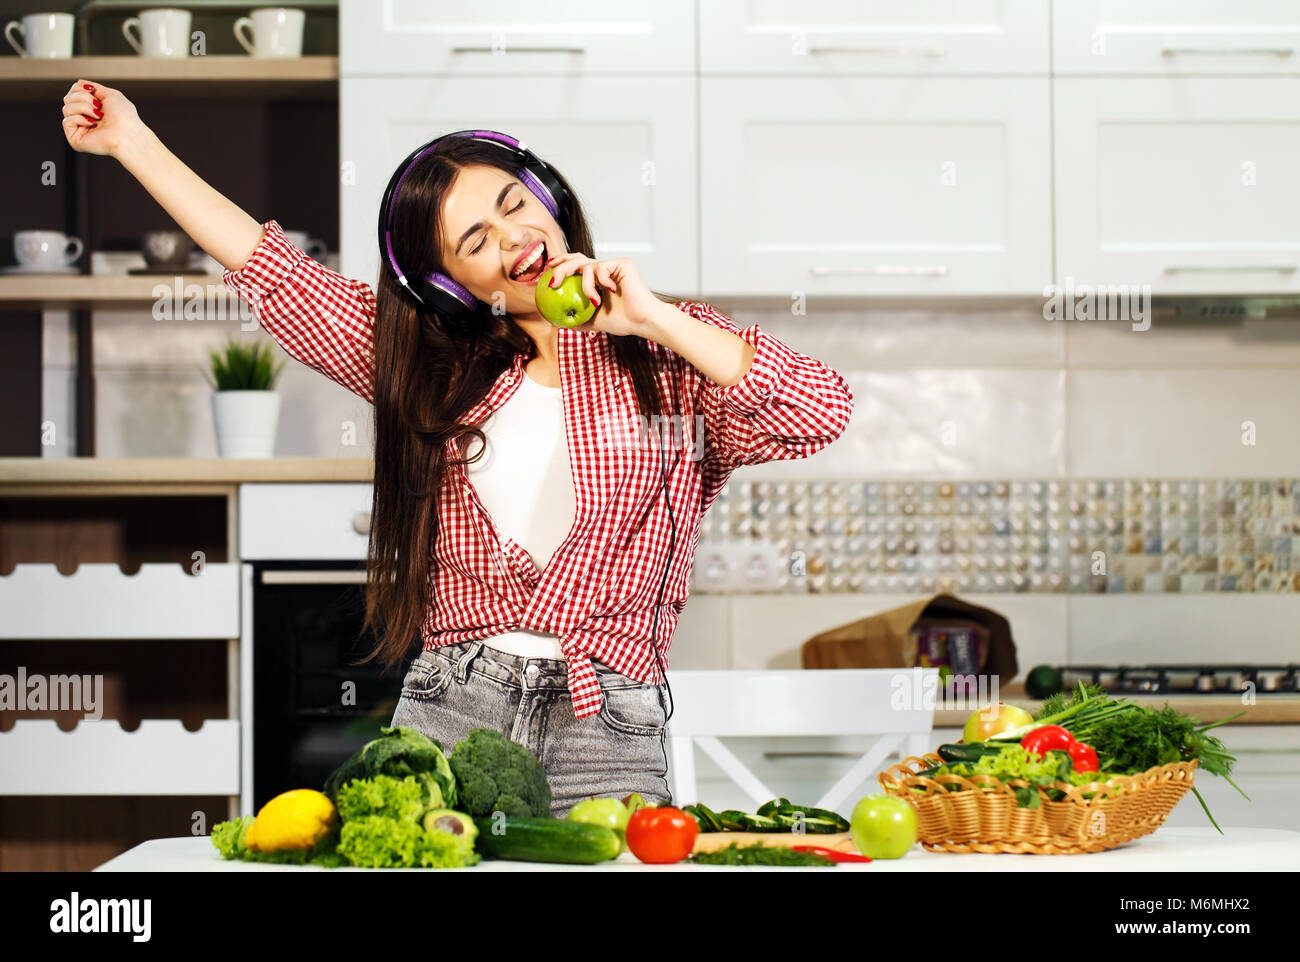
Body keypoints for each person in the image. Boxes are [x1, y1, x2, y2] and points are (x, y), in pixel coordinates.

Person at [62, 79, 855, 816]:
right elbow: (273, 271)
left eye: (515, 204)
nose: (514, 236)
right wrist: (132, 141)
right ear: (450, 284)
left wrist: (655, 318)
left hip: (609, 723)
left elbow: (819, 408)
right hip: (452, 707)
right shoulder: (431, 369)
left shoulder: (667, 361)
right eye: (476, 239)